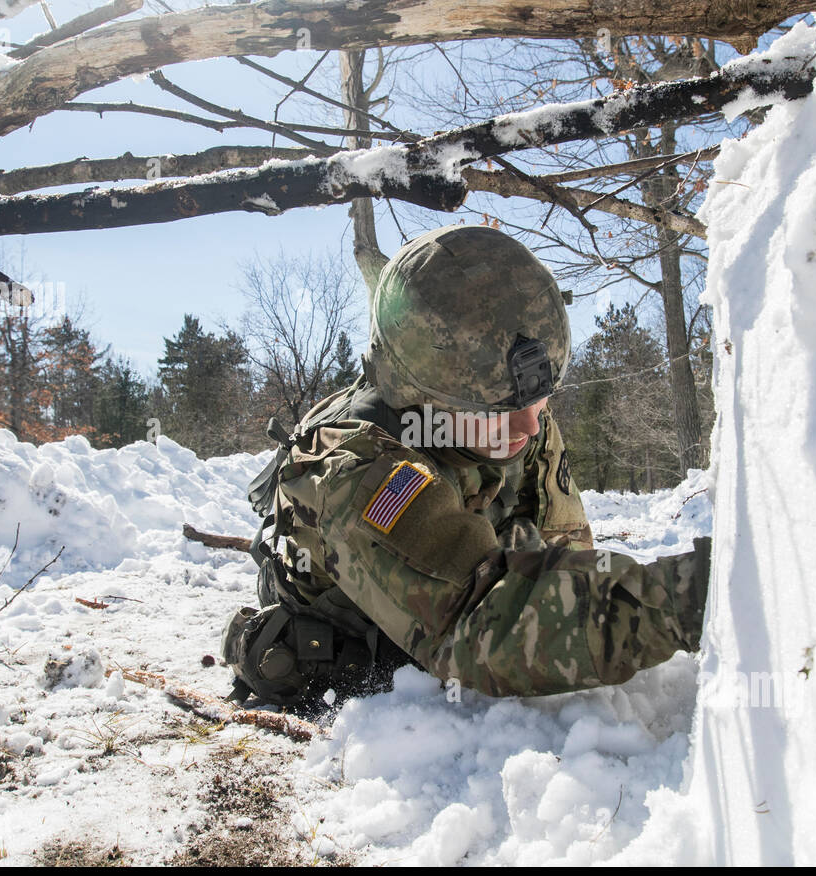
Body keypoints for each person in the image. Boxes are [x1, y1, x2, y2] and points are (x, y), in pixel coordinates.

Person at [224, 224, 709, 711]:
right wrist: (686, 602)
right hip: (363, 687)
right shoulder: (355, 467)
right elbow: (479, 621)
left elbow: (566, 553)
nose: (530, 426)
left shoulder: (510, 408)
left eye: (541, 400)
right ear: (424, 402)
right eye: (499, 410)